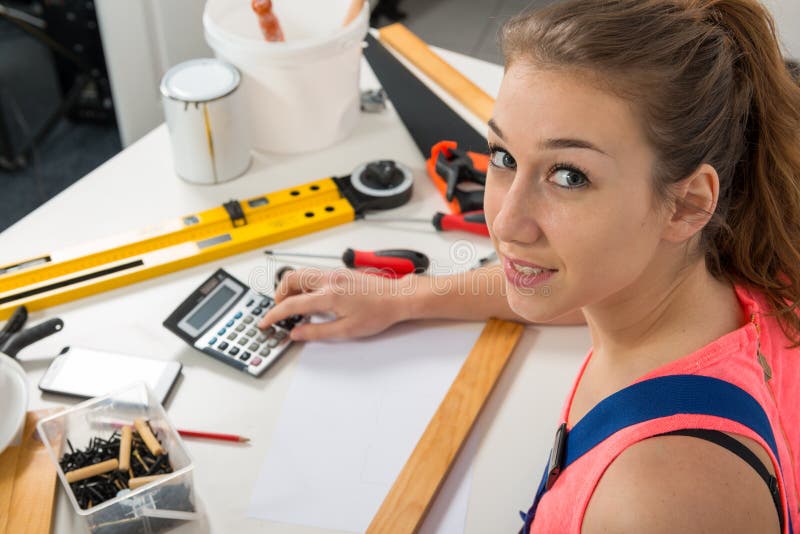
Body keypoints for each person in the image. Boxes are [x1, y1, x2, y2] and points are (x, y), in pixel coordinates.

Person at [261, 0, 800, 530]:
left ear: (686, 204)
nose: (507, 221)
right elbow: (560, 279)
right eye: (503, 157)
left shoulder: (661, 501)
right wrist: (403, 297)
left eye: (569, 176)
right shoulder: (742, 263)